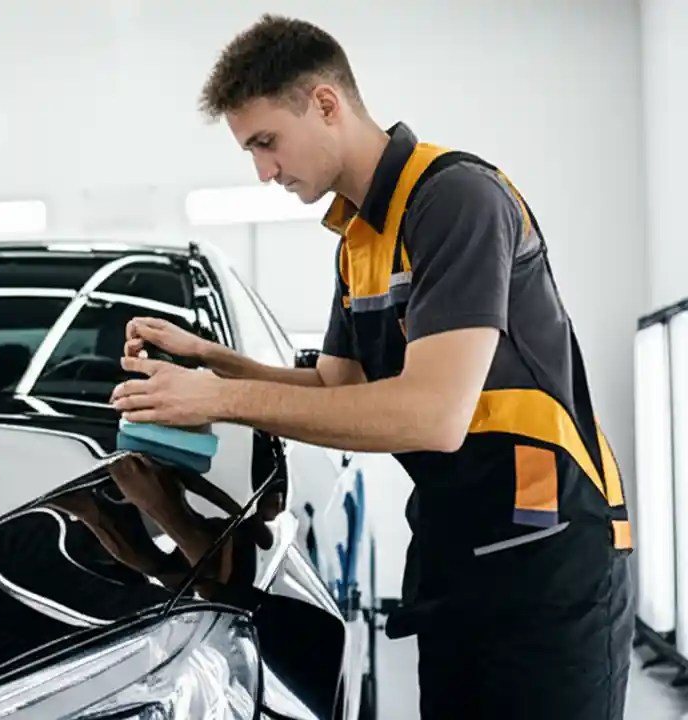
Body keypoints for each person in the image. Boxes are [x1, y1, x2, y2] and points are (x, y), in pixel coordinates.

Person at [109, 13, 634, 720]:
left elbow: (432, 416)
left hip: (548, 558)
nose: (263, 172)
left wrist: (217, 399)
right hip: (457, 548)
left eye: (266, 142)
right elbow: (337, 388)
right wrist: (213, 362)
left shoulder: (455, 199)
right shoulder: (358, 239)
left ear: (325, 103)